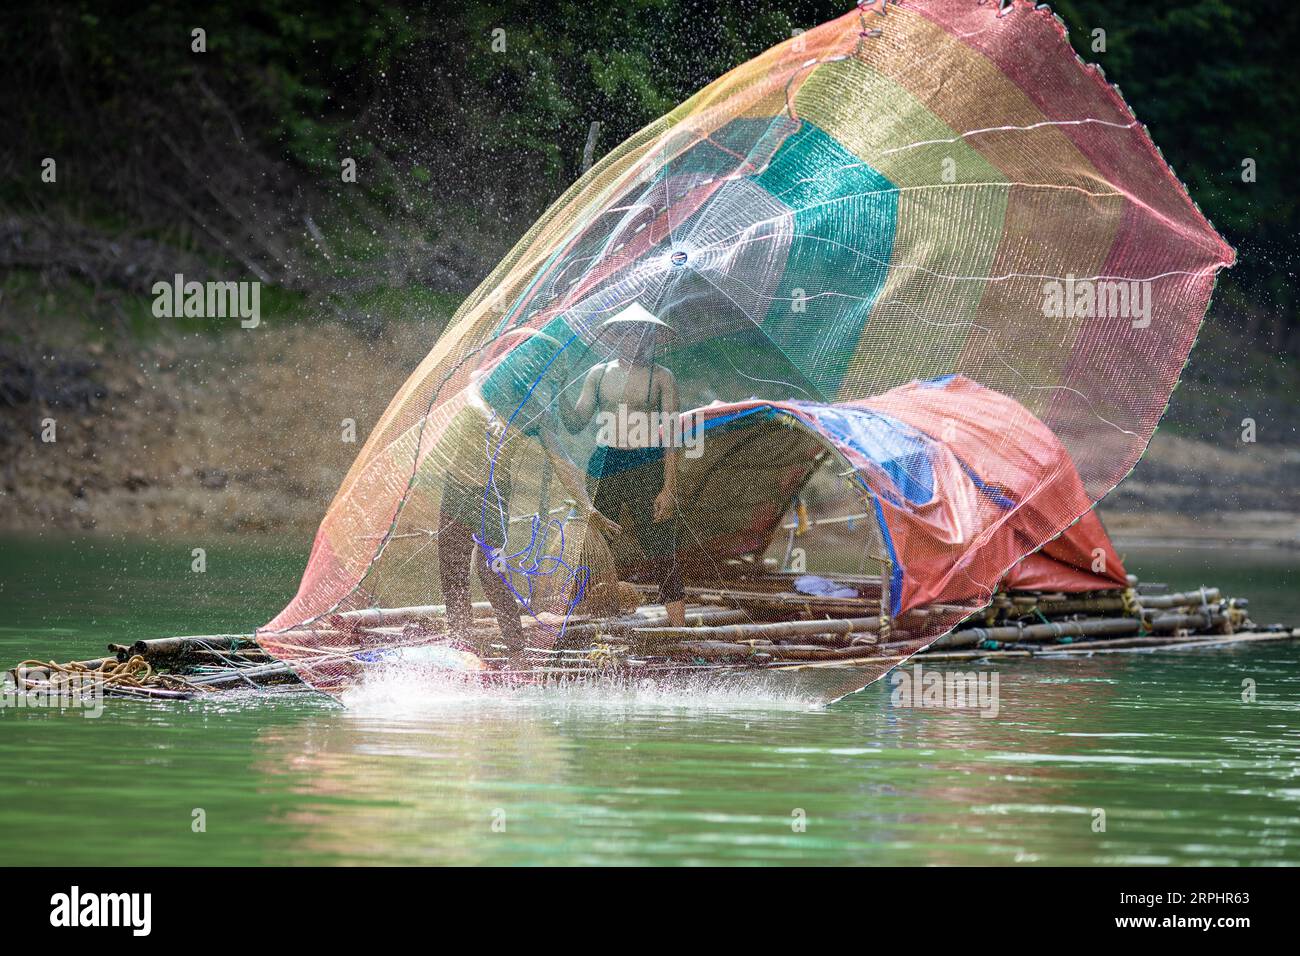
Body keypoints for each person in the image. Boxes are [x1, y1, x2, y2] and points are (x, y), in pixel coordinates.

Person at [438, 338, 617, 651]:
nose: (537, 372)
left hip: (492, 496)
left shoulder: (536, 411)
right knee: (452, 571)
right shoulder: (492, 384)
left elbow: (560, 458)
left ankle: (516, 650)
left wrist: (586, 504)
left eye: (543, 369)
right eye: (534, 363)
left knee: (492, 573)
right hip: (458, 485)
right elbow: (472, 392)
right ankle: (460, 644)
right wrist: (489, 416)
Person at [562, 305, 687, 627]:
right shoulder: (599, 374)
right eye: (628, 333)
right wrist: (559, 393)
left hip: (646, 461)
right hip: (606, 462)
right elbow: (576, 422)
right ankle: (578, 619)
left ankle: (680, 628)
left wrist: (668, 487)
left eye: (642, 334)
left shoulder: (661, 376)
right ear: (617, 337)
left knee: (661, 546)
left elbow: (672, 434)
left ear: (650, 338)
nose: (635, 340)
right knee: (594, 543)